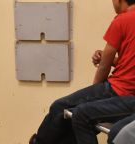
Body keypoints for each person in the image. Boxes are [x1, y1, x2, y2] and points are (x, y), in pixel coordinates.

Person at [29, 0, 135, 144]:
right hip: (128, 94)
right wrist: (115, 60)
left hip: (120, 90)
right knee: (74, 116)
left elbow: (104, 65)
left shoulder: (122, 20)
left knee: (59, 107)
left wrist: (95, 90)